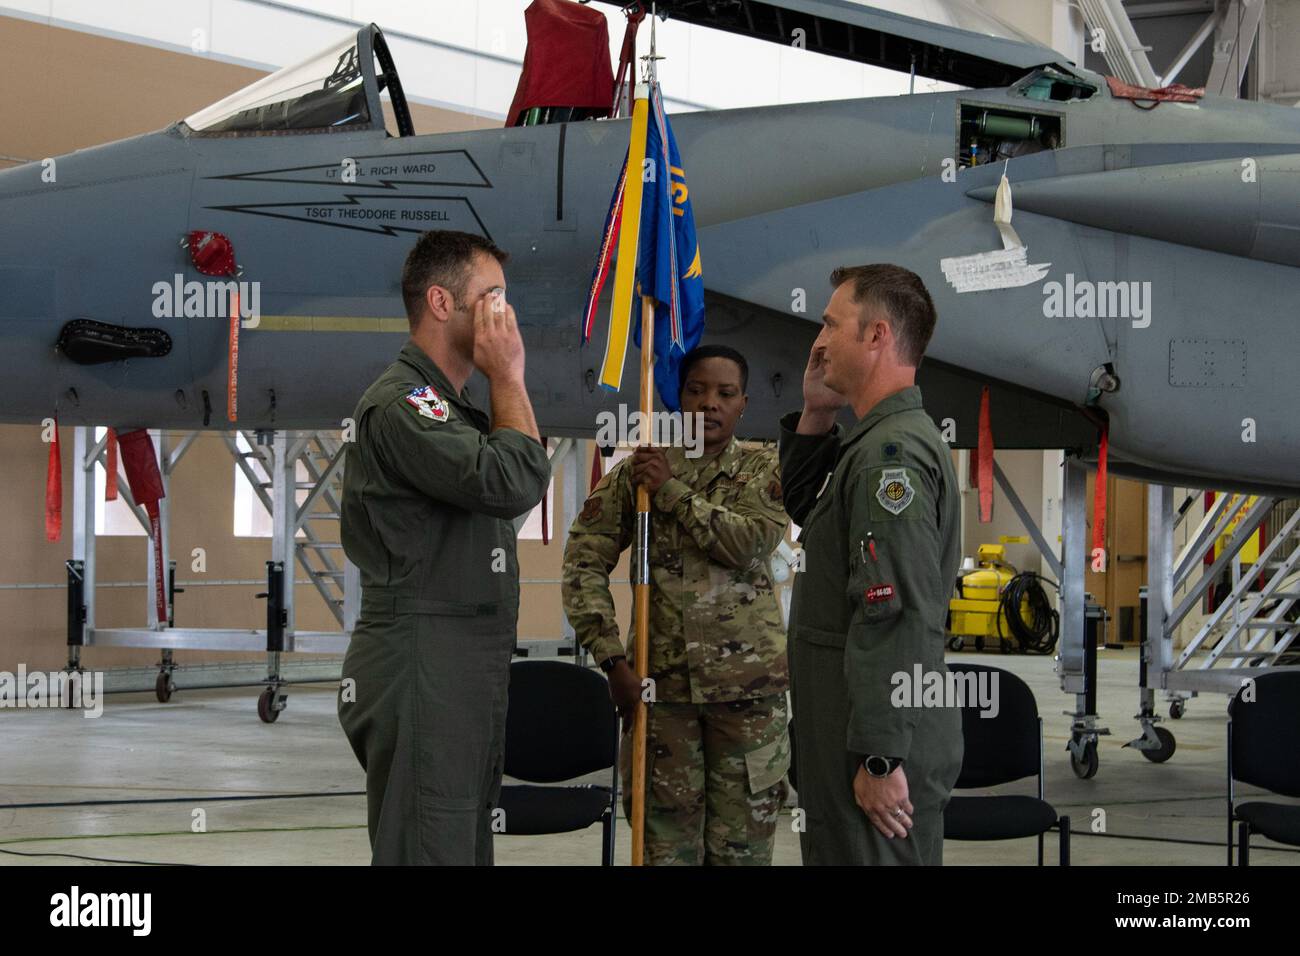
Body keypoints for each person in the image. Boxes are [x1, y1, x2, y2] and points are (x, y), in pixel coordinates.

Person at [338, 229, 551, 865]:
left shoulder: (448, 407)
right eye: (490, 298)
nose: (503, 317)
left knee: (456, 841)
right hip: (422, 658)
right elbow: (513, 479)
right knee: (430, 846)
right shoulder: (406, 402)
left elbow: (513, 471)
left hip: (454, 662)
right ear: (440, 302)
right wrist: (509, 374)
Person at [562, 345, 790, 865]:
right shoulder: (634, 474)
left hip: (748, 699)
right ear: (677, 397)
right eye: (696, 390)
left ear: (742, 404)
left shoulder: (764, 468)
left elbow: (747, 543)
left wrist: (671, 490)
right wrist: (611, 658)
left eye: (725, 394)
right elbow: (582, 563)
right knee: (664, 848)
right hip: (661, 695)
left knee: (742, 851)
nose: (709, 403)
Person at [779, 263, 962, 866]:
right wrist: (816, 413)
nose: (819, 340)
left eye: (832, 324)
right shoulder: (869, 444)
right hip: (848, 742)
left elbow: (895, 616)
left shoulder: (892, 457)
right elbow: (809, 511)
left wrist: (880, 759)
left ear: (877, 335)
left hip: (876, 753)